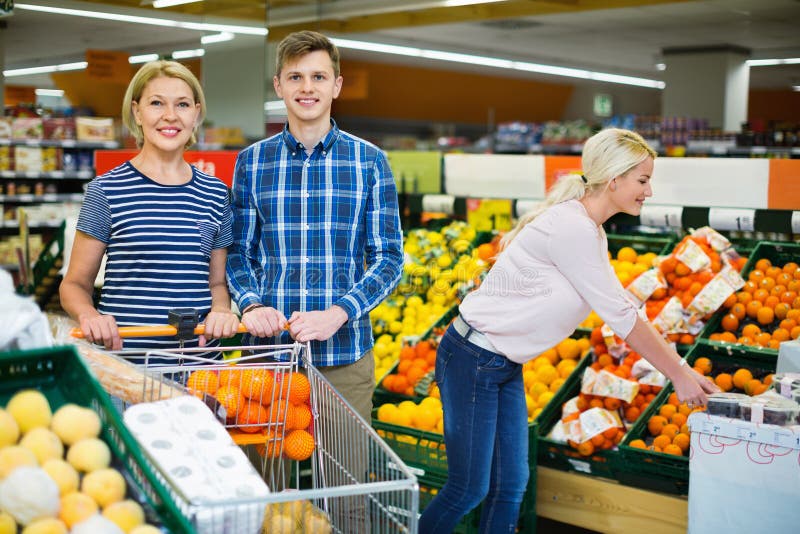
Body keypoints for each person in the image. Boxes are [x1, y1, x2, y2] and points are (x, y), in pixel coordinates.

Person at [418, 128, 719, 533]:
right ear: (614, 179)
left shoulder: (591, 231)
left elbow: (622, 308)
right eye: (643, 180)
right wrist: (680, 373)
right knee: (469, 487)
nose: (648, 191)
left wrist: (681, 371)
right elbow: (623, 317)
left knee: (510, 485)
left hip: (500, 364)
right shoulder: (572, 227)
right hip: (473, 359)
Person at [226, 30, 403, 423]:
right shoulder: (251, 163)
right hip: (266, 356)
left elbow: (389, 258)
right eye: (295, 77)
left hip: (344, 358)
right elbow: (237, 251)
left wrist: (339, 312)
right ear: (279, 85)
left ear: (336, 85)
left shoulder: (370, 162)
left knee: (346, 476)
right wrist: (251, 303)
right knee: (263, 477)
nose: (307, 88)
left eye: (319, 77)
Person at [60, 60, 239, 361]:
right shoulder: (106, 190)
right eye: (157, 103)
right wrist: (89, 315)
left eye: (182, 105)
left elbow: (217, 283)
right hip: (128, 368)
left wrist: (221, 310)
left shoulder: (216, 192)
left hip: (199, 370)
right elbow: (74, 285)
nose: (170, 116)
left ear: (195, 114)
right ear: (137, 112)